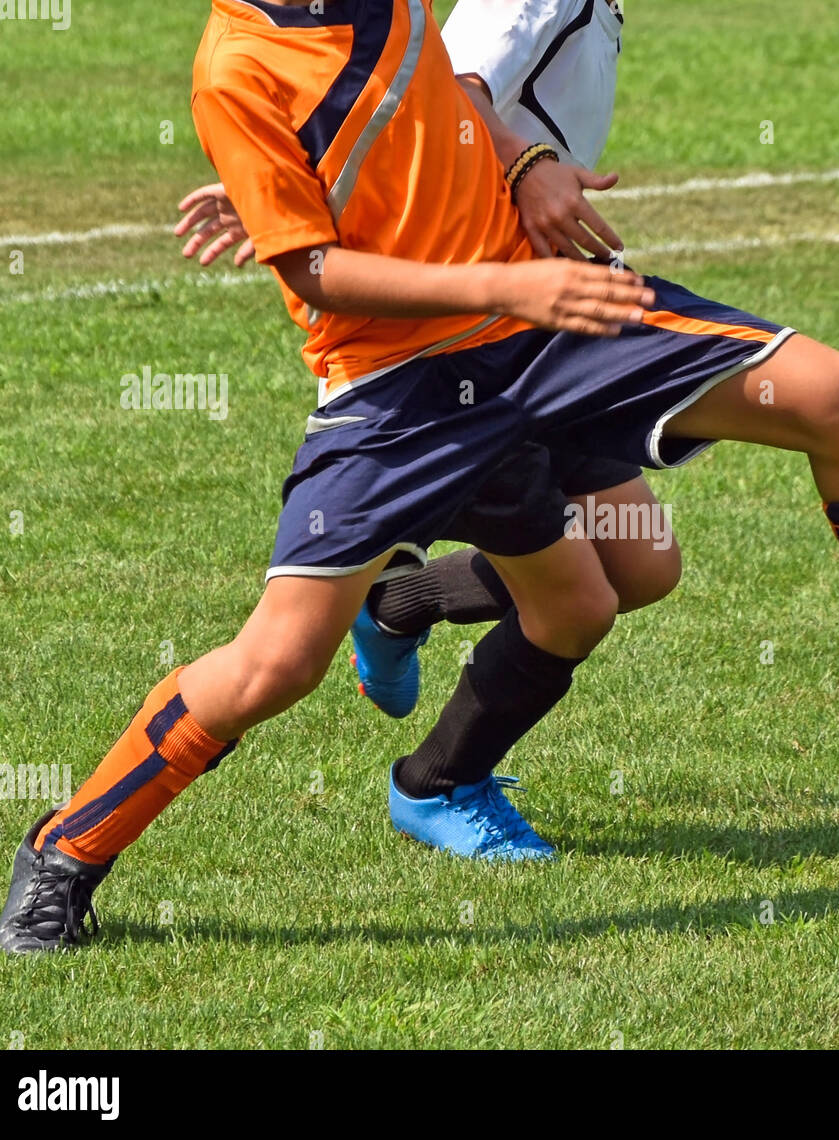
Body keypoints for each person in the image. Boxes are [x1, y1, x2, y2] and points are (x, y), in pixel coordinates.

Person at [0, 0, 839, 955]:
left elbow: (451, 93)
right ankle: (64, 851)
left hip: (540, 327)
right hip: (401, 385)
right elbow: (316, 273)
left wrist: (522, 168)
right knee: (277, 663)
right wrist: (487, 278)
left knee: (834, 405)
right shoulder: (235, 65)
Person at [174, 0, 682, 861]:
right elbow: (463, 78)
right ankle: (439, 782)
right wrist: (527, 164)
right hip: (472, 343)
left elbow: (403, 92)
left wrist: (299, 174)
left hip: (545, 313)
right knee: (578, 602)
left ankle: (403, 603)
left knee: (640, 561)